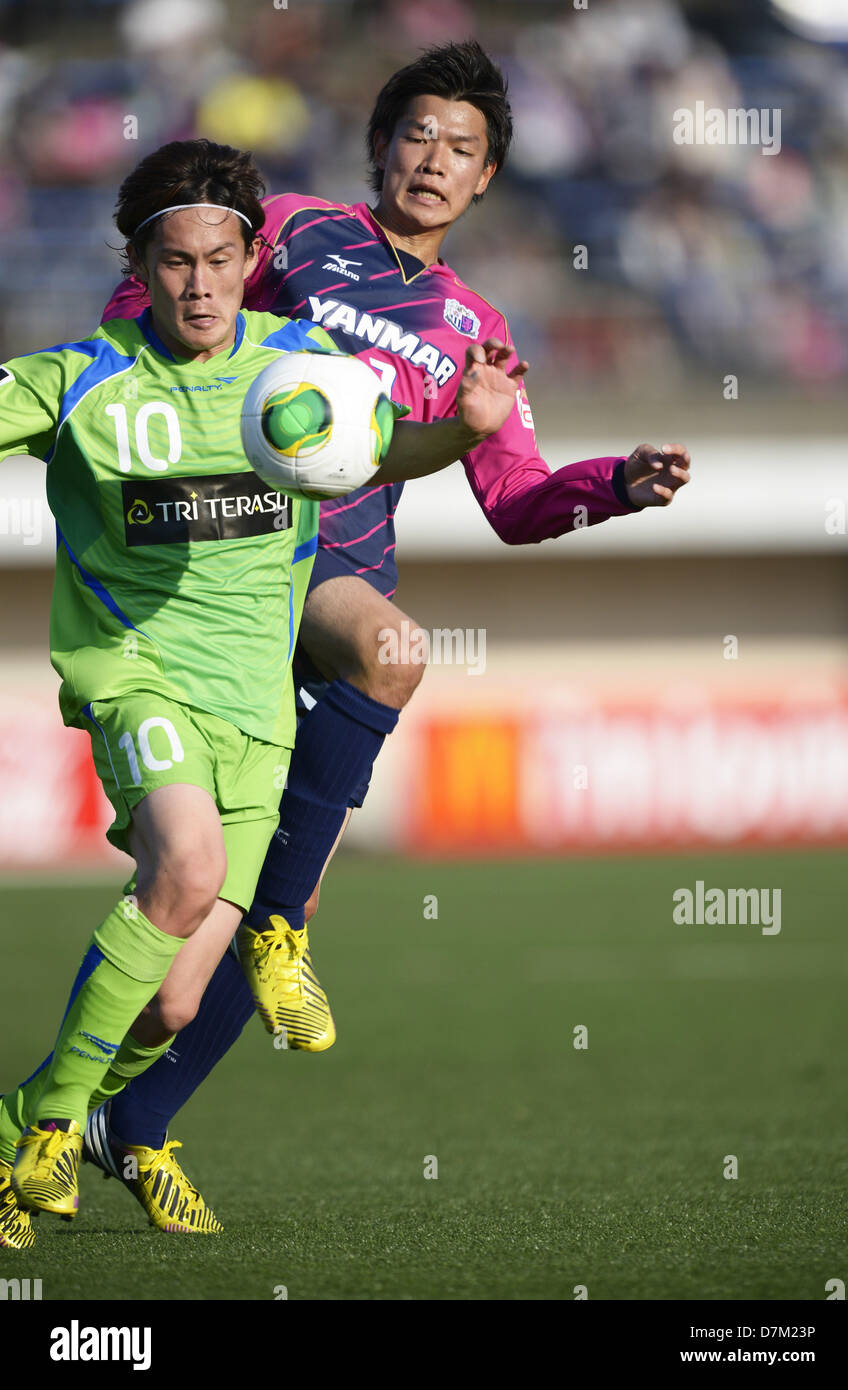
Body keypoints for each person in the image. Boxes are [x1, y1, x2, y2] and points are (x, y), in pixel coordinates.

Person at [0, 135, 527, 1251]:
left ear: (251, 258)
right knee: (185, 867)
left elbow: (384, 453)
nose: (199, 284)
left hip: (256, 702)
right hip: (134, 672)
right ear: (140, 267)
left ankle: (30, 1118)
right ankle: (49, 1129)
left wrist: (464, 432)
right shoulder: (84, 378)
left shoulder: (303, 371)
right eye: (174, 262)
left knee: (177, 1003)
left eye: (220, 259)